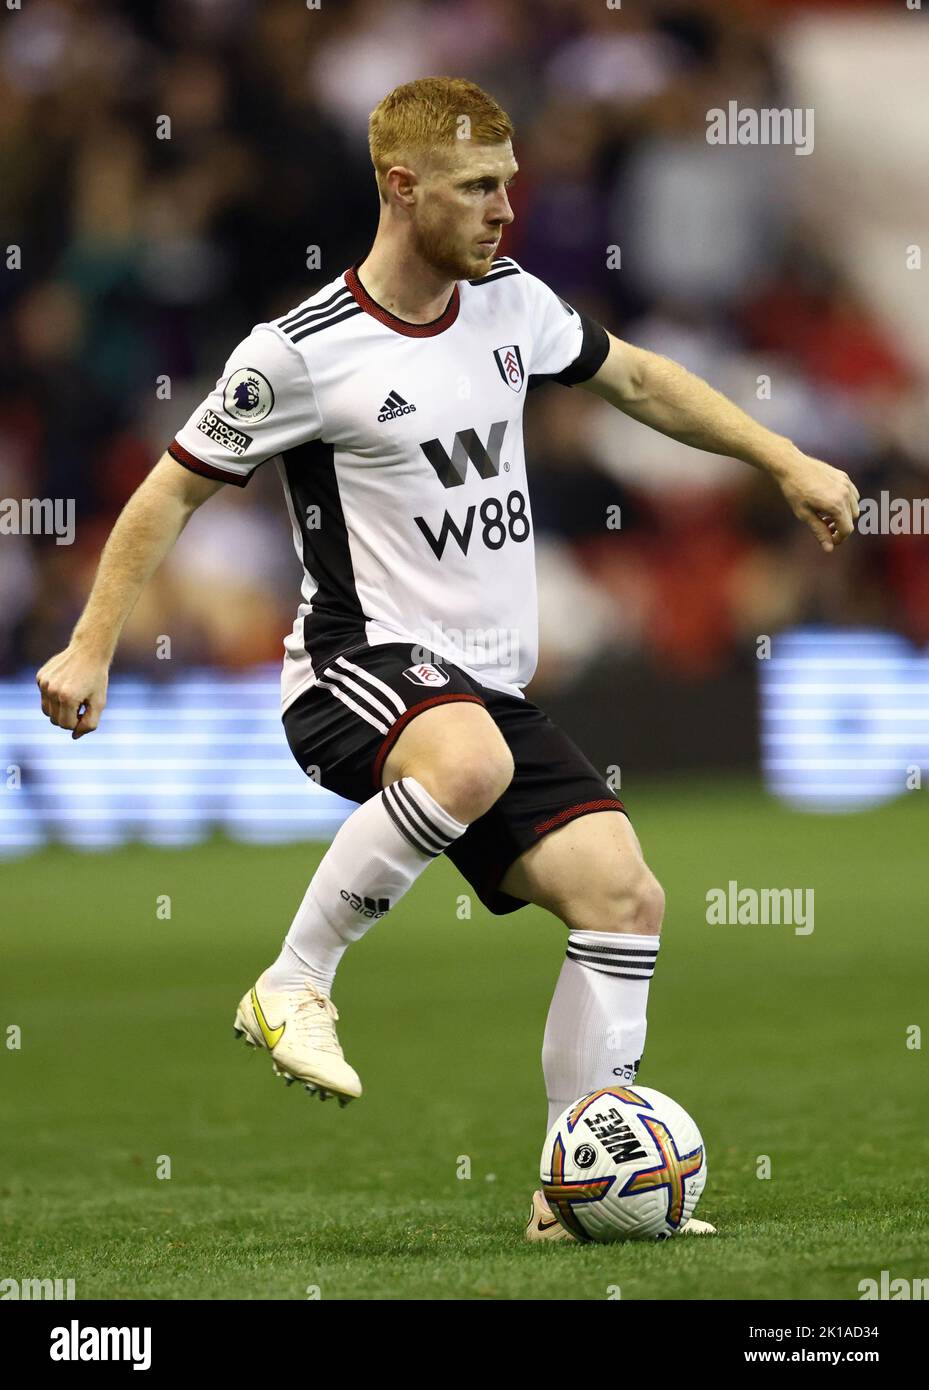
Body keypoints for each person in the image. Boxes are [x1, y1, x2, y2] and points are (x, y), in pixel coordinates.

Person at [36, 76, 859, 1242]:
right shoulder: (298, 352)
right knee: (464, 755)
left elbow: (633, 378)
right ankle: (293, 981)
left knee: (623, 894)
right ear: (399, 187)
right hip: (351, 669)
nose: (503, 209)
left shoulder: (511, 302)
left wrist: (779, 457)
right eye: (478, 188)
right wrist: (89, 646)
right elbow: (167, 493)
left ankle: (567, 1194)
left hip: (479, 691)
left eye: (509, 184)